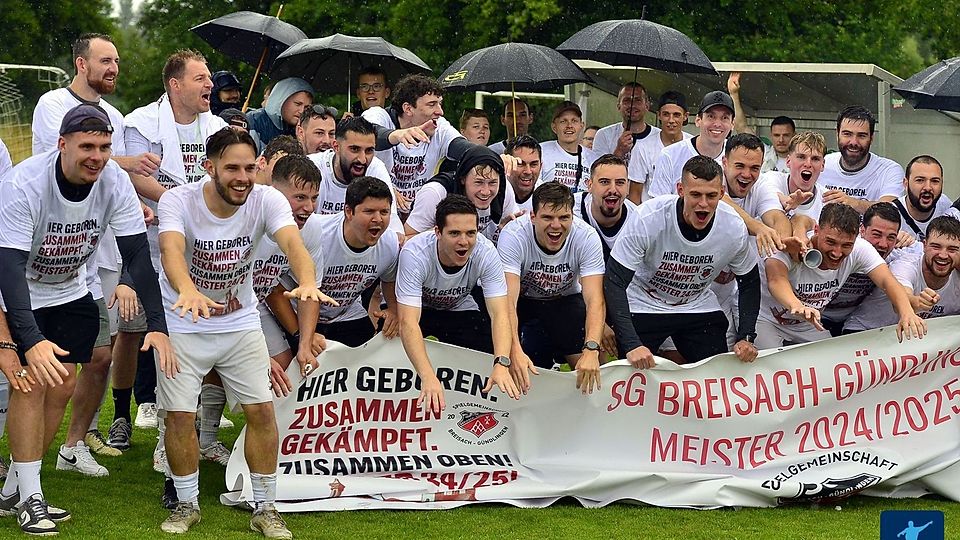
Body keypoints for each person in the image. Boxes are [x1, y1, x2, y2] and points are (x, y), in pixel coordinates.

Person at [0, 104, 173, 535]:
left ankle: (13, 488)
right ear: (62, 145)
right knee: (29, 383)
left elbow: (137, 253)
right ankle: (32, 498)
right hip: (19, 290)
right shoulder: (24, 184)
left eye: (104, 147)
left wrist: (158, 325)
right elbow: (8, 266)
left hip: (73, 287)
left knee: (62, 386)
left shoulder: (113, 180)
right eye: (86, 146)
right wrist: (27, 337)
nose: (96, 156)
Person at [154, 128, 329, 536]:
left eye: (250, 167)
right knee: (180, 417)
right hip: (184, 319)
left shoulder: (266, 199)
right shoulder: (178, 200)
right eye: (232, 167)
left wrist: (305, 280)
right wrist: (189, 290)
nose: (242, 177)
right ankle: (186, 504)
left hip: (239, 321)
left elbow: (294, 244)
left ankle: (266, 508)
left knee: (262, 411)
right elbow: (171, 252)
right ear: (208, 166)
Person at [31, 32, 143, 464]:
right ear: (81, 64)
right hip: (51, 258)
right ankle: (25, 457)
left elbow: (115, 185)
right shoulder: (52, 105)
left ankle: (74, 444)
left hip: (101, 253)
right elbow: (59, 166)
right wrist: (126, 163)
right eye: (105, 60)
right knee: (40, 366)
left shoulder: (115, 114)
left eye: (116, 60)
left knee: (100, 355)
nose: (114, 68)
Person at [116, 49, 227, 446]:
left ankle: (187, 407)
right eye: (200, 79)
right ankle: (130, 408)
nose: (210, 85)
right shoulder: (142, 122)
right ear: (175, 85)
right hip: (148, 238)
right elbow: (136, 179)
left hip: (201, 246)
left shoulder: (217, 126)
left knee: (190, 323)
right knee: (136, 329)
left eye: (209, 78)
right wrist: (180, 205)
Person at [604, 156, 761, 366]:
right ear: (680, 190)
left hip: (695, 304)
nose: (703, 204)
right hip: (644, 302)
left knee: (716, 370)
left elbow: (749, 281)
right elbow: (614, 281)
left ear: (722, 194)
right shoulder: (649, 218)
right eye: (695, 194)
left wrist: (746, 336)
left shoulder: (733, 227)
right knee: (632, 371)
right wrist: (632, 344)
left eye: (711, 195)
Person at [269, 177, 401, 395]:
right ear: (348, 212)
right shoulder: (316, 233)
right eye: (369, 212)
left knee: (372, 370)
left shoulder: (388, 245)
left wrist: (394, 310)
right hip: (294, 313)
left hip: (345, 313)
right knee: (296, 381)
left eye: (384, 212)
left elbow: (389, 278)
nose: (378, 220)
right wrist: (300, 335)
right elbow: (273, 289)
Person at [397, 195, 520, 413]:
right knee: (391, 340)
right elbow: (408, 322)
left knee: (487, 338)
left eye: (470, 233)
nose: (464, 241)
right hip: (420, 310)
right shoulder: (415, 253)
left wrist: (501, 362)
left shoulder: (486, 251)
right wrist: (428, 376)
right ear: (437, 232)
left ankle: (476, 407)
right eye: (454, 233)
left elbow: (500, 313)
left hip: (458, 307)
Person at [757, 203, 926, 348]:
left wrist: (906, 312)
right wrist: (797, 306)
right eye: (830, 242)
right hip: (766, 319)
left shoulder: (861, 248)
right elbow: (776, 280)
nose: (837, 253)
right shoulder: (793, 245)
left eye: (846, 245)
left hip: (808, 325)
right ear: (816, 230)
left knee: (831, 365)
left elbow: (886, 281)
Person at [497, 183, 606, 394]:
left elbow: (595, 299)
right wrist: (515, 351)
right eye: (547, 218)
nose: (556, 226)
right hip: (523, 300)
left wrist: (591, 349)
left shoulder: (587, 236)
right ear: (532, 217)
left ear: (572, 218)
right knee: (510, 359)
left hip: (563, 300)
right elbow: (507, 302)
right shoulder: (514, 235)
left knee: (594, 364)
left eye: (564, 218)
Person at [362, 74, 471, 213]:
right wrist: (396, 135)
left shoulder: (438, 125)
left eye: (440, 104)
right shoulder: (379, 115)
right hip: (376, 207)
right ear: (408, 109)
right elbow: (366, 136)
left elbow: (463, 148)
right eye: (432, 104)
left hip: (417, 212)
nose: (440, 112)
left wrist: (492, 157)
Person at [845, 216, 960, 333]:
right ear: (924, 245)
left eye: (952, 249)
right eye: (936, 247)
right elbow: (901, 296)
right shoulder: (905, 265)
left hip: (915, 341)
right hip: (863, 332)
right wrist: (916, 301)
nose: (943, 255)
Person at [820, 203, 905, 335]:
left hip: (852, 322)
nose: (883, 244)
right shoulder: (848, 248)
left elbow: (888, 281)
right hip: (817, 317)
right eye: (877, 235)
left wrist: (908, 313)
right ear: (862, 230)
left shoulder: (897, 254)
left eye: (891, 237)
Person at [307, 117, 403, 235]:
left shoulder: (376, 168)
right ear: (336, 147)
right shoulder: (312, 168)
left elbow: (391, 218)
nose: (362, 159)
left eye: (369, 151)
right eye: (354, 149)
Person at [405, 145, 519, 241]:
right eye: (478, 182)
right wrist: (445, 233)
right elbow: (406, 239)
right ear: (462, 178)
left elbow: (511, 230)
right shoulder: (434, 193)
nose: (485, 191)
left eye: (492, 183)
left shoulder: (503, 190)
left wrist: (506, 232)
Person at [648, 91, 735, 198]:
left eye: (724, 118)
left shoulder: (736, 155)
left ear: (732, 124)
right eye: (711, 116)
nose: (717, 124)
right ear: (698, 120)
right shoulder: (670, 155)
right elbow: (659, 204)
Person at [818, 106, 904, 213]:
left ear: (871, 138)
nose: (854, 142)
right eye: (847, 134)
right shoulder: (822, 163)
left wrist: (853, 203)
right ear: (837, 134)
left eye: (861, 136)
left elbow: (889, 211)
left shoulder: (889, 170)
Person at [726, 72, 795, 173]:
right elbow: (741, 127)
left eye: (786, 135)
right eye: (776, 135)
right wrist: (734, 94)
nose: (781, 139)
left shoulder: (801, 160)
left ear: (794, 136)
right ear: (770, 136)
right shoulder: (762, 152)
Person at [539, 101, 599, 191]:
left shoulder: (594, 159)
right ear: (554, 127)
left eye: (574, 121)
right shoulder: (541, 152)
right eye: (563, 121)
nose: (569, 126)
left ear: (581, 125)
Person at [247, 77, 314, 153]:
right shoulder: (255, 120)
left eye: (306, 107)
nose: (302, 111)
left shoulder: (301, 129)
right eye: (297, 104)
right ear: (282, 100)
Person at [895, 155, 952, 241]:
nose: (928, 187)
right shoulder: (891, 214)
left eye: (935, 181)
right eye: (920, 180)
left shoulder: (945, 205)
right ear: (905, 183)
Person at [505, 135, 542, 212]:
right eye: (520, 164)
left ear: (541, 166)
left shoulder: (546, 196)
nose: (528, 171)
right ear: (509, 163)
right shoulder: (495, 190)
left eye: (533, 164)